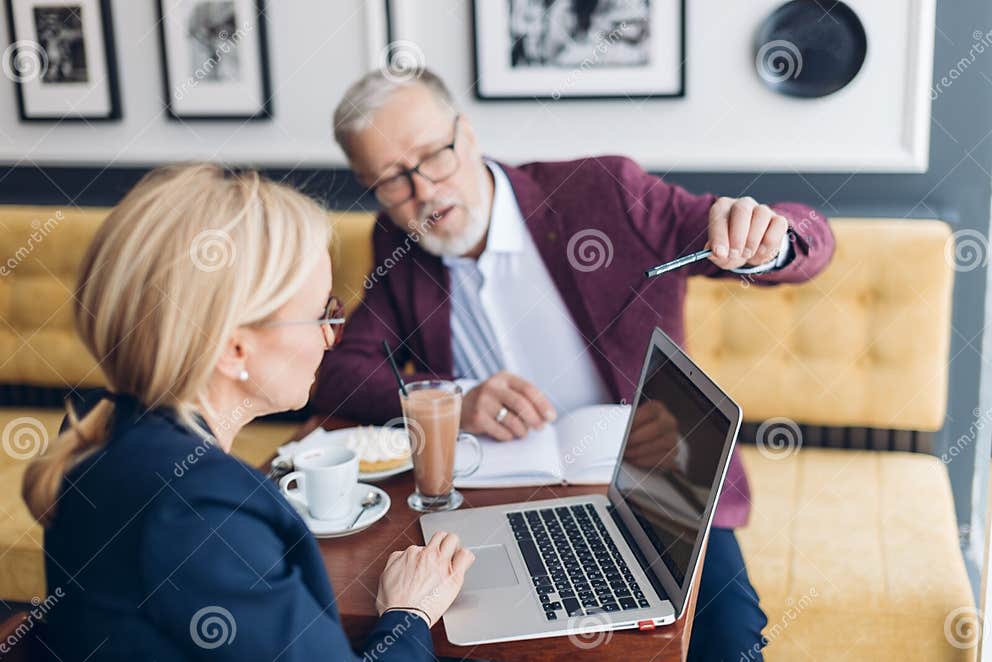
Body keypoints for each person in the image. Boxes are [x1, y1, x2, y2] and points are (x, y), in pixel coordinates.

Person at [310, 68, 835, 661]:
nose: (425, 192)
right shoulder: (399, 244)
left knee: (731, 646)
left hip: (658, 493)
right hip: (496, 502)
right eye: (391, 181)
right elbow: (340, 371)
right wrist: (457, 400)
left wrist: (776, 239)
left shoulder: (601, 191)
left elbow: (804, 239)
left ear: (468, 133)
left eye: (434, 156)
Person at [20, 163, 474, 661]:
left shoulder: (101, 430)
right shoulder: (201, 513)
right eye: (323, 314)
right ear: (234, 349)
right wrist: (409, 615)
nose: (331, 336)